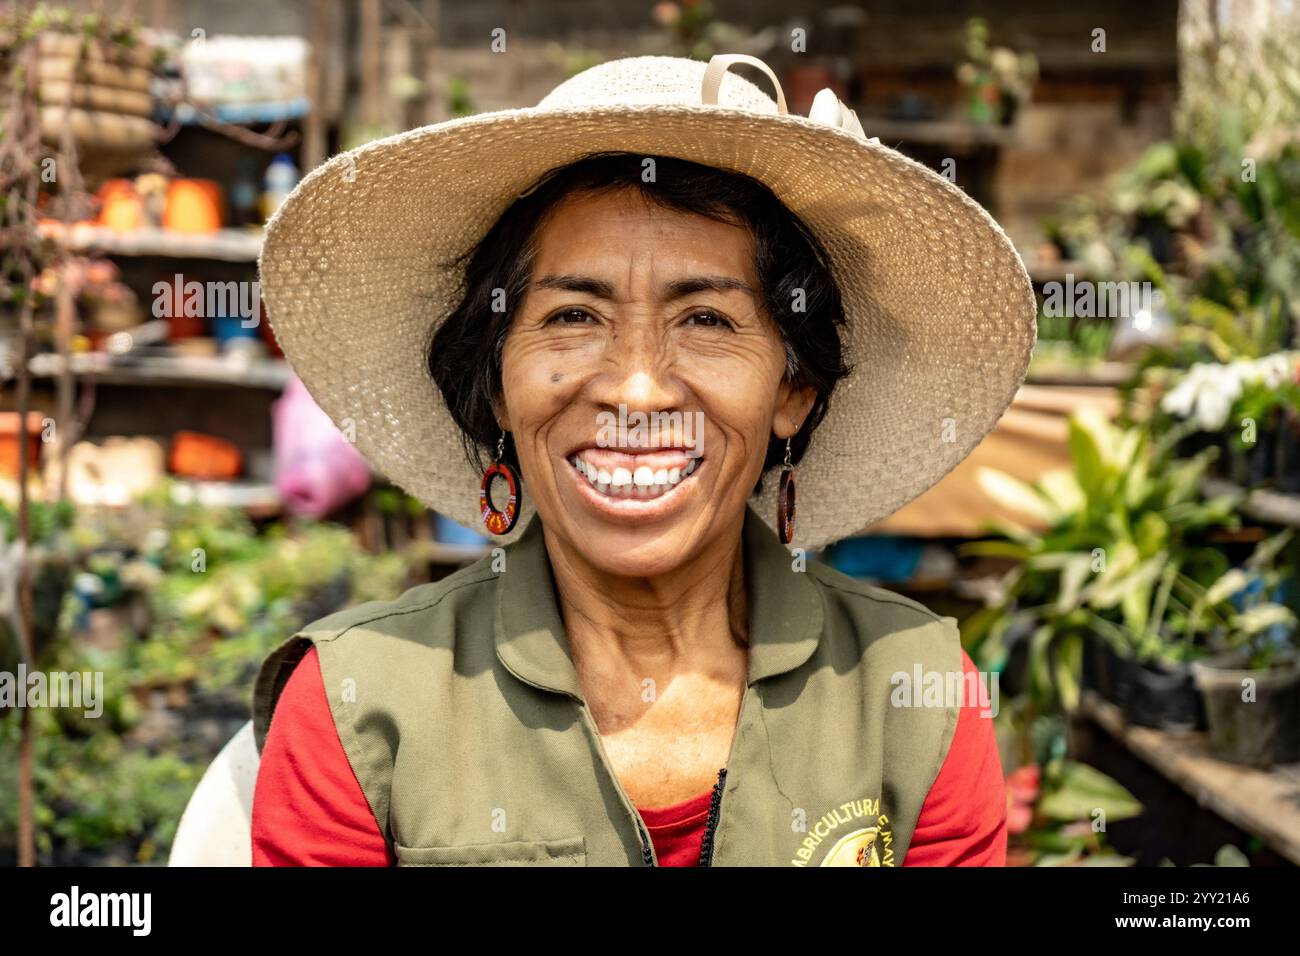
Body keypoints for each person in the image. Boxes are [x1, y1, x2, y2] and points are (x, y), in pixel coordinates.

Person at [250, 53, 1036, 867]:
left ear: (792, 388)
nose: (636, 389)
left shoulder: (917, 696)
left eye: (706, 320)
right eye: (574, 315)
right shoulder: (355, 702)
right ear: (495, 387)